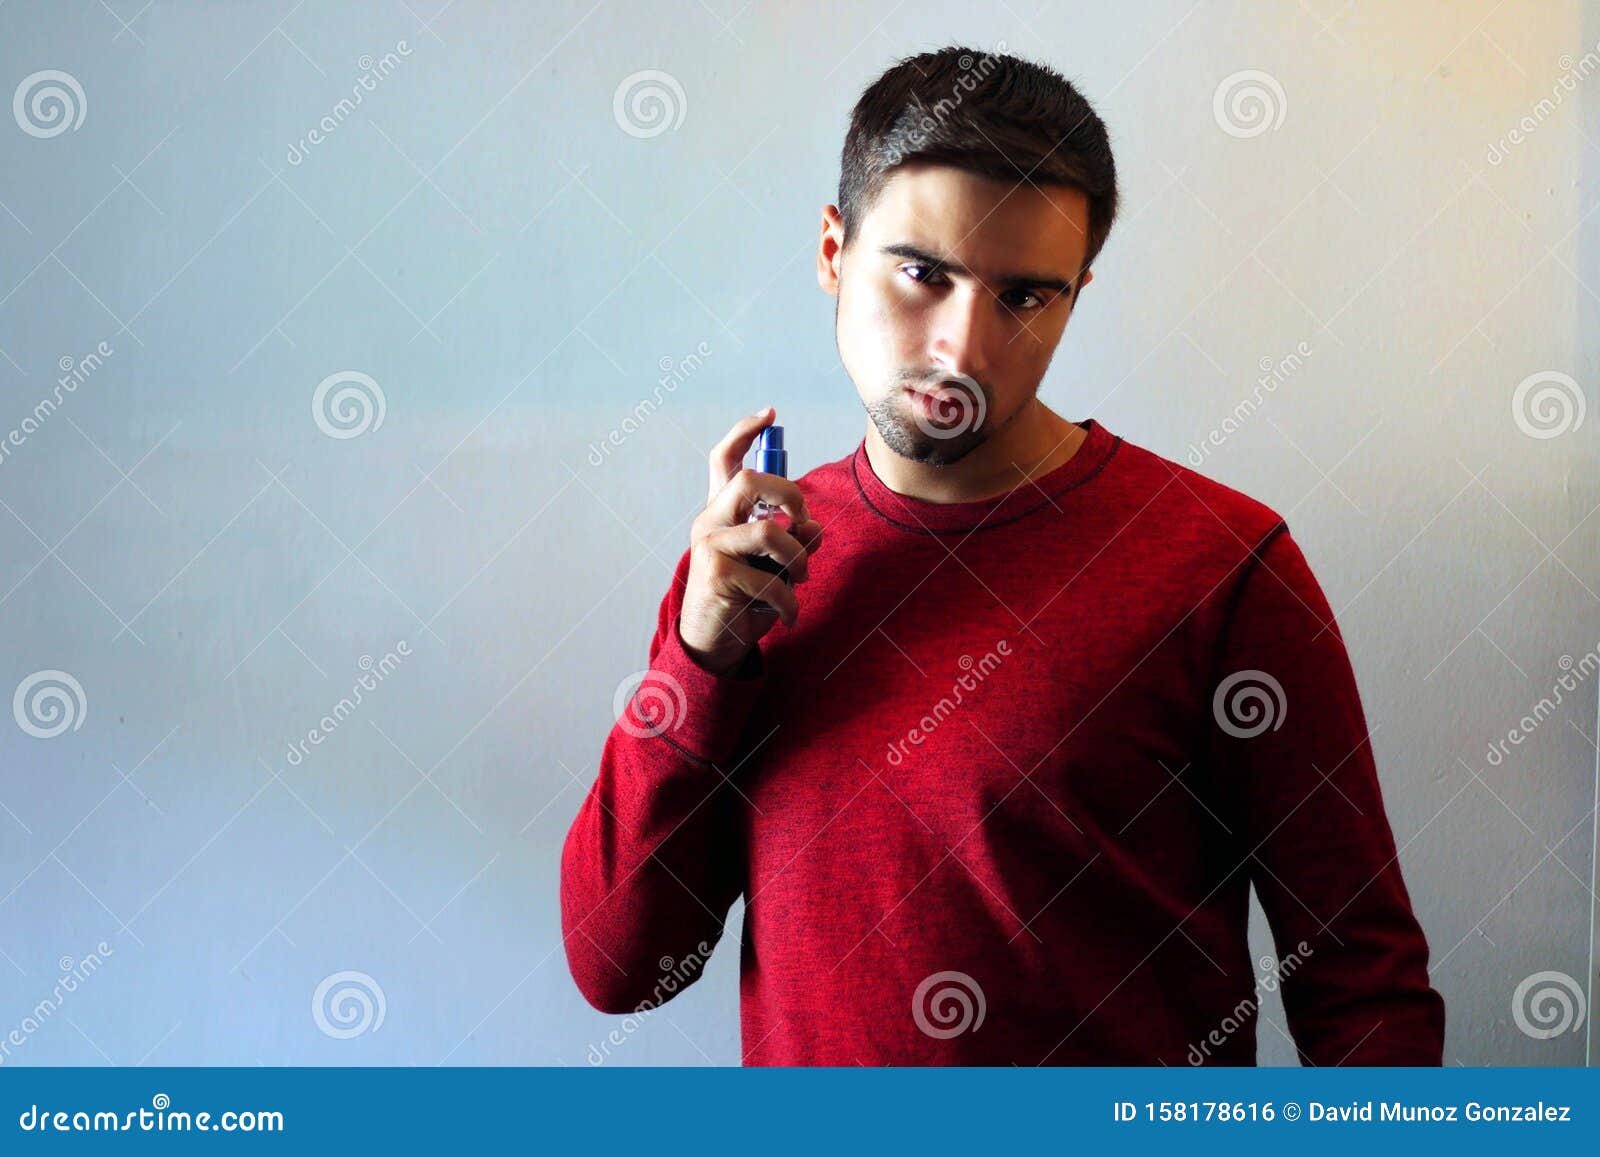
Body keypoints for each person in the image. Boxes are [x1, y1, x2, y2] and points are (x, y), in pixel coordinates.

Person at [560, 44, 1446, 1066]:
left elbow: (1357, 982)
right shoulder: (748, 568)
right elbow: (618, 966)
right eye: (922, 274)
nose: (962, 350)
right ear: (830, 250)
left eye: (1023, 296)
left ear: (1075, 292)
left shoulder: (1220, 564)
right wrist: (700, 655)